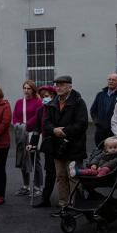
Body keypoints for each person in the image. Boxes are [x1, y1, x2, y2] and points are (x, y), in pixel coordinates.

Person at [44, 75, 88, 210]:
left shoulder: (79, 102)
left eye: (62, 84)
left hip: (74, 147)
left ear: (70, 86)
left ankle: (76, 205)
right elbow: (46, 122)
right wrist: (54, 130)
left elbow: (82, 124)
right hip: (57, 147)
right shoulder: (53, 102)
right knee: (60, 176)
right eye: (57, 85)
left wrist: (65, 131)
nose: (58, 87)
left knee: (73, 177)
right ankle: (64, 204)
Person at [12, 80, 43, 197]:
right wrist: (17, 125)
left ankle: (38, 187)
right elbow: (14, 115)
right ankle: (25, 186)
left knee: (35, 160)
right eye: (24, 88)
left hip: (32, 134)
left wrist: (25, 125)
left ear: (33, 90)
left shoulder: (38, 102)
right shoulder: (19, 102)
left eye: (28, 88)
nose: (26, 90)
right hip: (21, 134)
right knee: (23, 159)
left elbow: (37, 117)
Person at [29, 85, 57, 208]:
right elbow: (36, 129)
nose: (45, 99)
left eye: (47, 96)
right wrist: (32, 144)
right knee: (50, 173)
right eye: (43, 97)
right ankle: (46, 199)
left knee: (65, 174)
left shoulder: (57, 108)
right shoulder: (40, 110)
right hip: (48, 145)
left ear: (53, 96)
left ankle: (73, 198)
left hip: (60, 144)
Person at [90, 73, 117, 148]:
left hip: (113, 131)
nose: (111, 81)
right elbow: (93, 110)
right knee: (99, 152)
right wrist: (97, 122)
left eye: (113, 80)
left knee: (112, 154)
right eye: (109, 79)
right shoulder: (100, 94)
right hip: (100, 130)